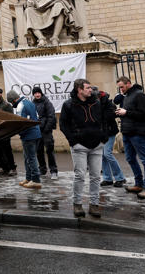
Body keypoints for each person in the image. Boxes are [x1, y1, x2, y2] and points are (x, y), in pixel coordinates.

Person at [60, 79, 106, 217]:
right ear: (79, 90)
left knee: (96, 176)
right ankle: (78, 204)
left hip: (97, 145)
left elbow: (104, 120)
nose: (90, 90)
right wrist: (73, 141)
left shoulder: (96, 102)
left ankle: (94, 204)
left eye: (90, 88)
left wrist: (104, 137)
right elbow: (63, 124)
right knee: (80, 176)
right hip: (79, 146)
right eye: (87, 88)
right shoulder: (68, 105)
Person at [116, 76, 145, 199]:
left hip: (138, 133)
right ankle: (139, 184)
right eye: (119, 87)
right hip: (127, 132)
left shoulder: (139, 95)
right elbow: (130, 113)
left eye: (122, 86)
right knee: (130, 159)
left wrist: (126, 113)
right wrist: (121, 113)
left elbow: (144, 114)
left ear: (128, 84)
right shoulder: (127, 96)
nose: (120, 89)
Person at [9, 90, 42, 189]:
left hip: (28, 135)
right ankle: (29, 178)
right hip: (36, 132)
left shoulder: (20, 106)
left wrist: (19, 132)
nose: (12, 104)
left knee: (31, 158)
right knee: (27, 157)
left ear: (14, 100)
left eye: (11, 102)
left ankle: (36, 180)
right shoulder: (29, 102)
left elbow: (21, 122)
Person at [97, 86, 126, 189]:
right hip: (101, 133)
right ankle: (107, 178)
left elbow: (110, 116)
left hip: (109, 132)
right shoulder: (95, 104)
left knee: (107, 153)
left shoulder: (108, 104)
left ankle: (120, 178)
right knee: (102, 155)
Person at [31, 86, 58, 179]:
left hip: (46, 131)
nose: (37, 94)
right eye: (35, 93)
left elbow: (51, 116)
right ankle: (42, 169)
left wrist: (47, 128)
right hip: (37, 131)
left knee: (50, 150)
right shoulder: (32, 104)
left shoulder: (47, 102)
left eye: (38, 93)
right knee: (39, 151)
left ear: (41, 93)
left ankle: (53, 170)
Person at [0, 88, 16, 175]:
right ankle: (3, 167)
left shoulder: (7, 105)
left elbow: (11, 118)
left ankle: (12, 168)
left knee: (7, 150)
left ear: (1, 94)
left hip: (5, 132)